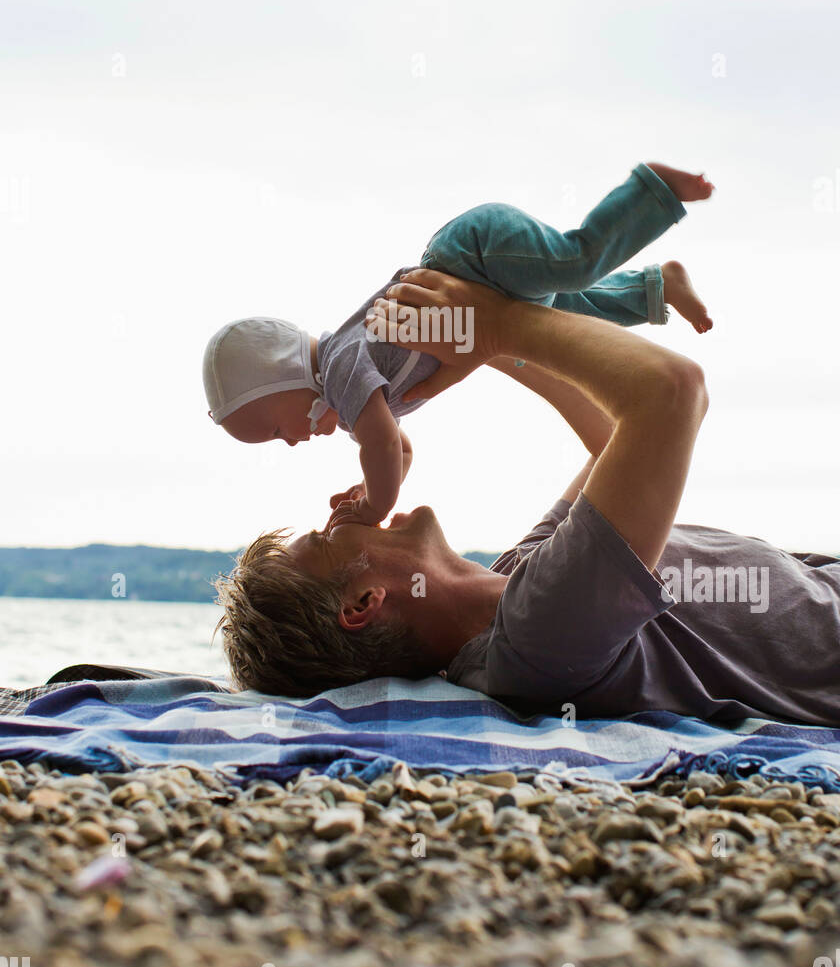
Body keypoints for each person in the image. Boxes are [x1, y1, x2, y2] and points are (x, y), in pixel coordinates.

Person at [215, 269, 840, 727]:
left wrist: (490, 353)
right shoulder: (537, 637)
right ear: (364, 602)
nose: (336, 510)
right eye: (326, 538)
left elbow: (609, 442)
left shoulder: (519, 578)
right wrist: (498, 325)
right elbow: (672, 392)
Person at [203, 161, 713, 527]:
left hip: (472, 256)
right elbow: (396, 447)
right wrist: (374, 484)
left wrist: (374, 508)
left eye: (274, 429)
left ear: (282, 374)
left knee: (574, 263)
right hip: (485, 288)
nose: (290, 442)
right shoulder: (354, 394)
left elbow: (382, 443)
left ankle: (652, 192)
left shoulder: (337, 369)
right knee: (572, 311)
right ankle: (658, 287)